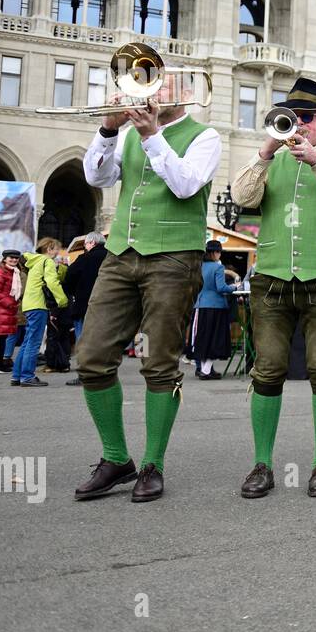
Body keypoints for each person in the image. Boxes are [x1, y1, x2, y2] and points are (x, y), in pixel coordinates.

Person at [73, 73, 221, 503]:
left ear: (187, 97)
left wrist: (152, 133)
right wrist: (107, 129)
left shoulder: (205, 136)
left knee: (160, 363)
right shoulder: (127, 134)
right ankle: (116, 457)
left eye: (163, 85)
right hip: (122, 251)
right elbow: (96, 178)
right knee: (92, 357)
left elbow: (185, 184)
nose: (152, 92)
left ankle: (153, 463)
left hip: (175, 256)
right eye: (149, 84)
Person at [231, 77, 316, 499]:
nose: (301, 125)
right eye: (293, 118)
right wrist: (265, 153)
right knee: (267, 370)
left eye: (308, 118)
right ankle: (261, 464)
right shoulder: (270, 161)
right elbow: (241, 197)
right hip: (272, 277)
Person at [11, 239, 69, 387]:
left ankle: (17, 376)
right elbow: (52, 282)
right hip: (39, 304)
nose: (57, 252)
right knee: (34, 342)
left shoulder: (35, 262)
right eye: (56, 249)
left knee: (27, 342)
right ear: (49, 249)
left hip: (29, 304)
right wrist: (62, 300)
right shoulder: (46, 261)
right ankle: (27, 376)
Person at [190, 240, 237, 380]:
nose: (219, 254)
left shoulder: (199, 266)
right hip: (216, 307)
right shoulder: (218, 267)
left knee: (203, 339)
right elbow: (221, 288)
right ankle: (205, 370)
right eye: (218, 251)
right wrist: (235, 287)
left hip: (200, 305)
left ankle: (206, 369)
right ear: (213, 253)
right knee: (215, 339)